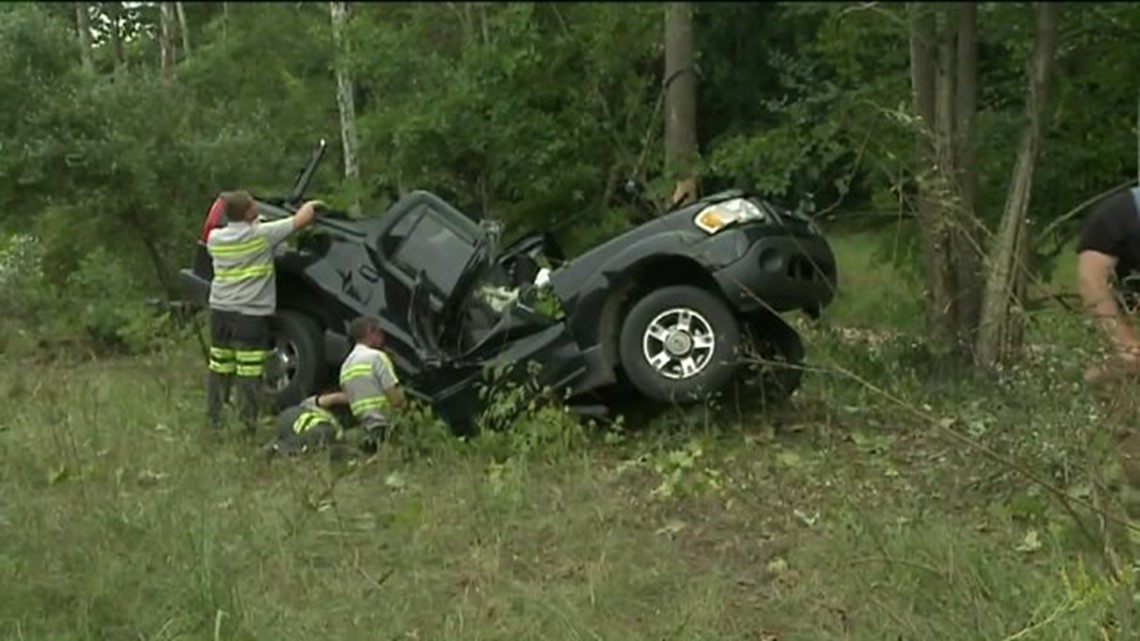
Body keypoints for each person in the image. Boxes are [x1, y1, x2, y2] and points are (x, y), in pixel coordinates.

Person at [205, 190, 324, 433]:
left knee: (220, 366)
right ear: (249, 212)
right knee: (249, 372)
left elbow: (241, 230)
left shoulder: (215, 239)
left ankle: (214, 420)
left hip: (220, 311)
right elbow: (301, 220)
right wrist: (314, 205)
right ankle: (246, 425)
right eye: (253, 206)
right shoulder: (262, 236)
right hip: (248, 314)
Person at [339, 315, 405, 450]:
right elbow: (396, 400)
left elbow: (349, 398)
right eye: (380, 332)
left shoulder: (345, 367)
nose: (383, 337)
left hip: (363, 431)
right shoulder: (377, 358)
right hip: (385, 429)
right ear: (370, 332)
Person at [263, 391, 349, 458]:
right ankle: (279, 448)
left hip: (295, 427)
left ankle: (281, 447)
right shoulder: (318, 407)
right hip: (297, 414)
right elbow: (334, 398)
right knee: (326, 431)